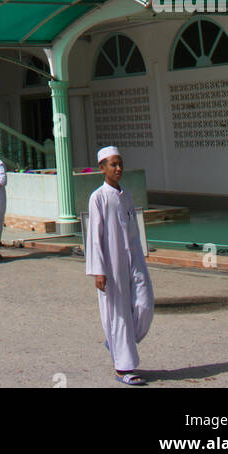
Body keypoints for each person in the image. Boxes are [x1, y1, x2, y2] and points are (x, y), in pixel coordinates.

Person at [85, 145, 154, 385]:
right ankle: (123, 368)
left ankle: (115, 342)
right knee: (120, 313)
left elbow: (133, 230)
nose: (118, 168)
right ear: (102, 168)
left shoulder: (126, 194)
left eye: (120, 163)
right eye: (113, 164)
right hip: (111, 265)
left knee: (145, 303)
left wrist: (140, 254)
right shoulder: (98, 197)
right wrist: (98, 271)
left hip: (133, 258)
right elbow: (94, 237)